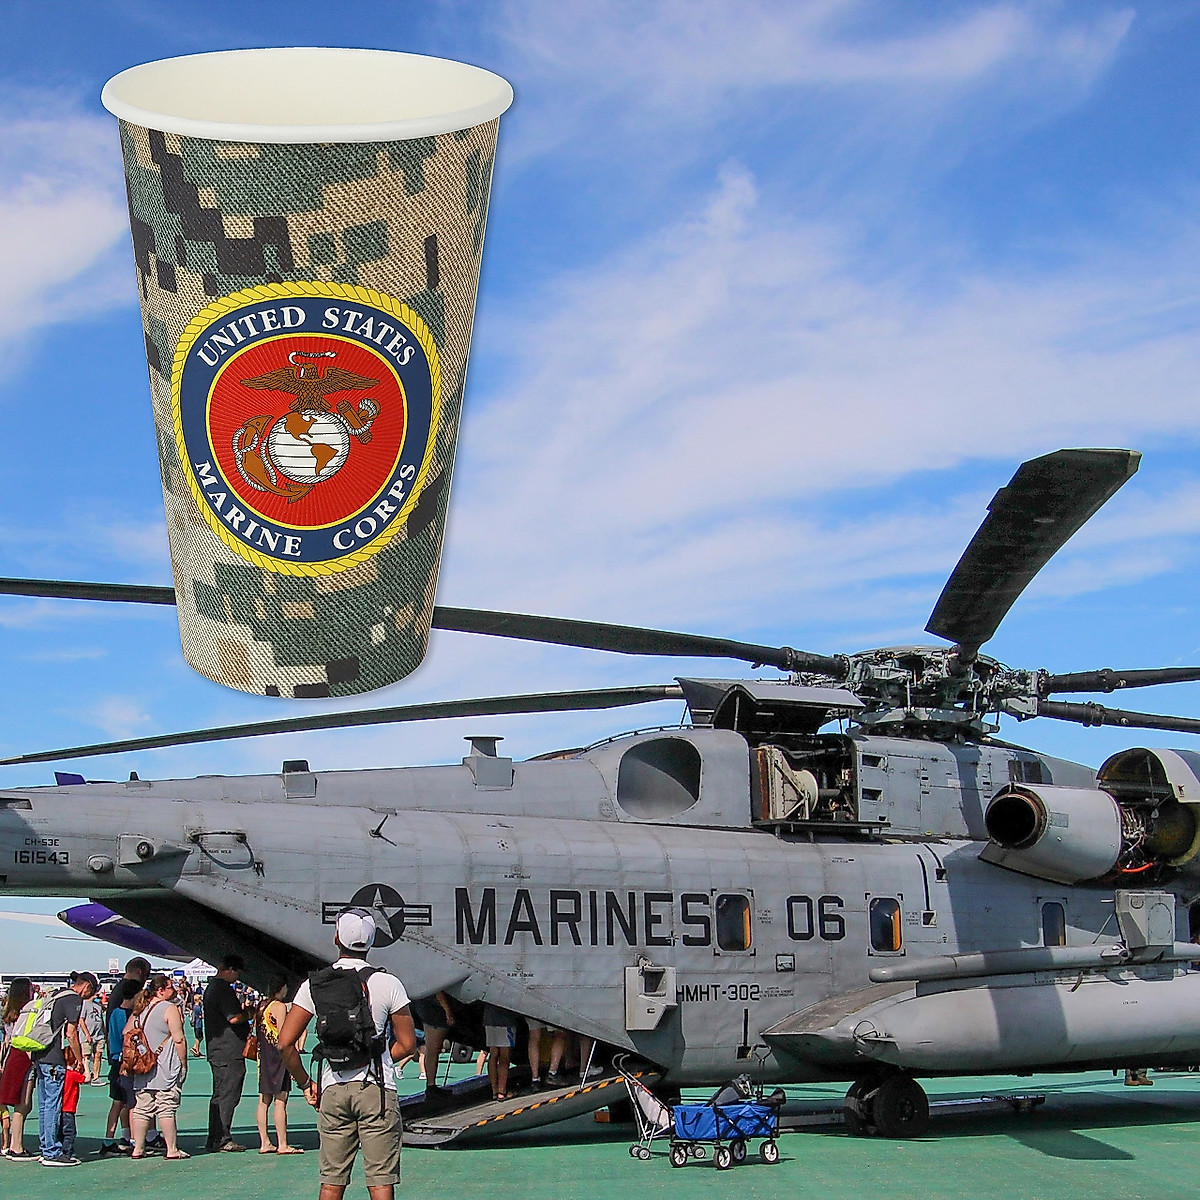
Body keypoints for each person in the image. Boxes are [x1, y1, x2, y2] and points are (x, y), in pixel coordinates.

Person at [277, 908, 416, 1200]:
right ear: (371, 942)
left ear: (336, 938)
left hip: (333, 1086)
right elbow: (407, 1045)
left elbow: (285, 1043)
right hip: (377, 1088)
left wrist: (306, 1083)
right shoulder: (388, 983)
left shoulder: (315, 985)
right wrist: (377, 1058)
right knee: (380, 1181)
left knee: (331, 1182)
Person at [30, 969, 98, 1166]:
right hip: (54, 1059)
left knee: (44, 1105)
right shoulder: (73, 1000)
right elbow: (71, 1033)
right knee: (53, 1104)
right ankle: (52, 1151)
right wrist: (80, 1059)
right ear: (86, 986)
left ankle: (46, 1146)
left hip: (40, 1055)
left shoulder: (56, 995)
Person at [129, 975, 190, 1159]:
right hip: (165, 1065)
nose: (174, 990)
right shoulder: (169, 1008)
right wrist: (183, 1063)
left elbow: (127, 1032)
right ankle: (172, 1149)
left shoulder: (140, 1008)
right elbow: (179, 1039)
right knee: (166, 1106)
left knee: (142, 1108)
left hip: (143, 1066)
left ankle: (138, 1148)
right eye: (170, 987)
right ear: (161, 990)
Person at [203, 954, 253, 1152]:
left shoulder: (212, 987)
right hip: (228, 1050)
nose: (238, 977)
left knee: (219, 1095)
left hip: (219, 1050)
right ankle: (222, 1138)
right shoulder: (222, 989)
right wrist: (249, 1013)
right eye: (237, 973)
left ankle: (216, 1137)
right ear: (230, 970)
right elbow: (233, 1018)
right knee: (228, 1095)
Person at [256, 976, 302, 1154]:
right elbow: (284, 1035)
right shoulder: (279, 1007)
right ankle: (282, 1143)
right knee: (280, 1101)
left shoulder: (262, 1006)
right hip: (278, 1057)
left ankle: (264, 1142)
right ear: (281, 988)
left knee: (263, 1100)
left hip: (264, 1056)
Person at [100, 978, 141, 1156]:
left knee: (118, 1102)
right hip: (125, 1062)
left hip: (115, 1060)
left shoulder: (115, 1012)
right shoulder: (129, 1015)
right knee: (132, 1103)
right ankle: (134, 1140)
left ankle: (111, 1139)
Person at [1, 977, 35, 1160]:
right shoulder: (27, 1012)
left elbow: (7, 1041)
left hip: (12, 1058)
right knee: (23, 1104)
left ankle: (15, 1144)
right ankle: (17, 1146)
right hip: (23, 1058)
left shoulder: (9, 1014)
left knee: (20, 1103)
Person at [411, 993, 454, 1091]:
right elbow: (438, 991)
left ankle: (431, 1084)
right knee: (433, 1049)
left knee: (432, 1049)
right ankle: (431, 1085)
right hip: (433, 1010)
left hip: (425, 1007)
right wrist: (448, 1011)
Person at [483, 1004, 515, 1101]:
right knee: (504, 1055)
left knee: (493, 1054)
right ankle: (502, 1091)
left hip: (489, 1018)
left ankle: (494, 1091)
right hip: (505, 1019)